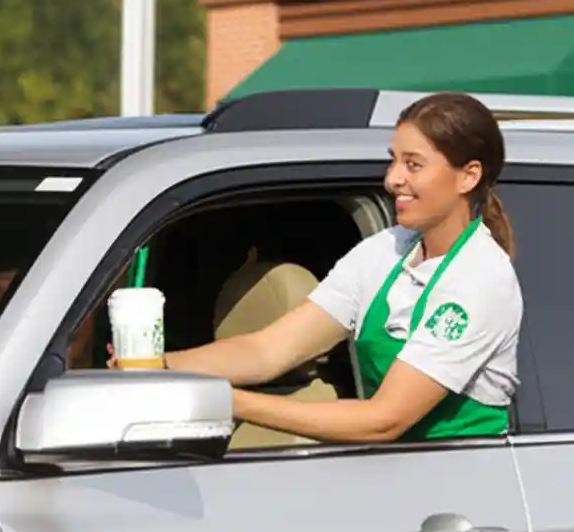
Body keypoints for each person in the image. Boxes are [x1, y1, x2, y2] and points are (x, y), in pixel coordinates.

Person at [153, 92, 522, 443]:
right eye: (393, 160)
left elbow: (384, 419)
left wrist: (229, 402)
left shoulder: (481, 279)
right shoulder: (384, 252)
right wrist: (155, 368)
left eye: (413, 164)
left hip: (463, 485)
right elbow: (268, 352)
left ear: (468, 176)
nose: (392, 179)